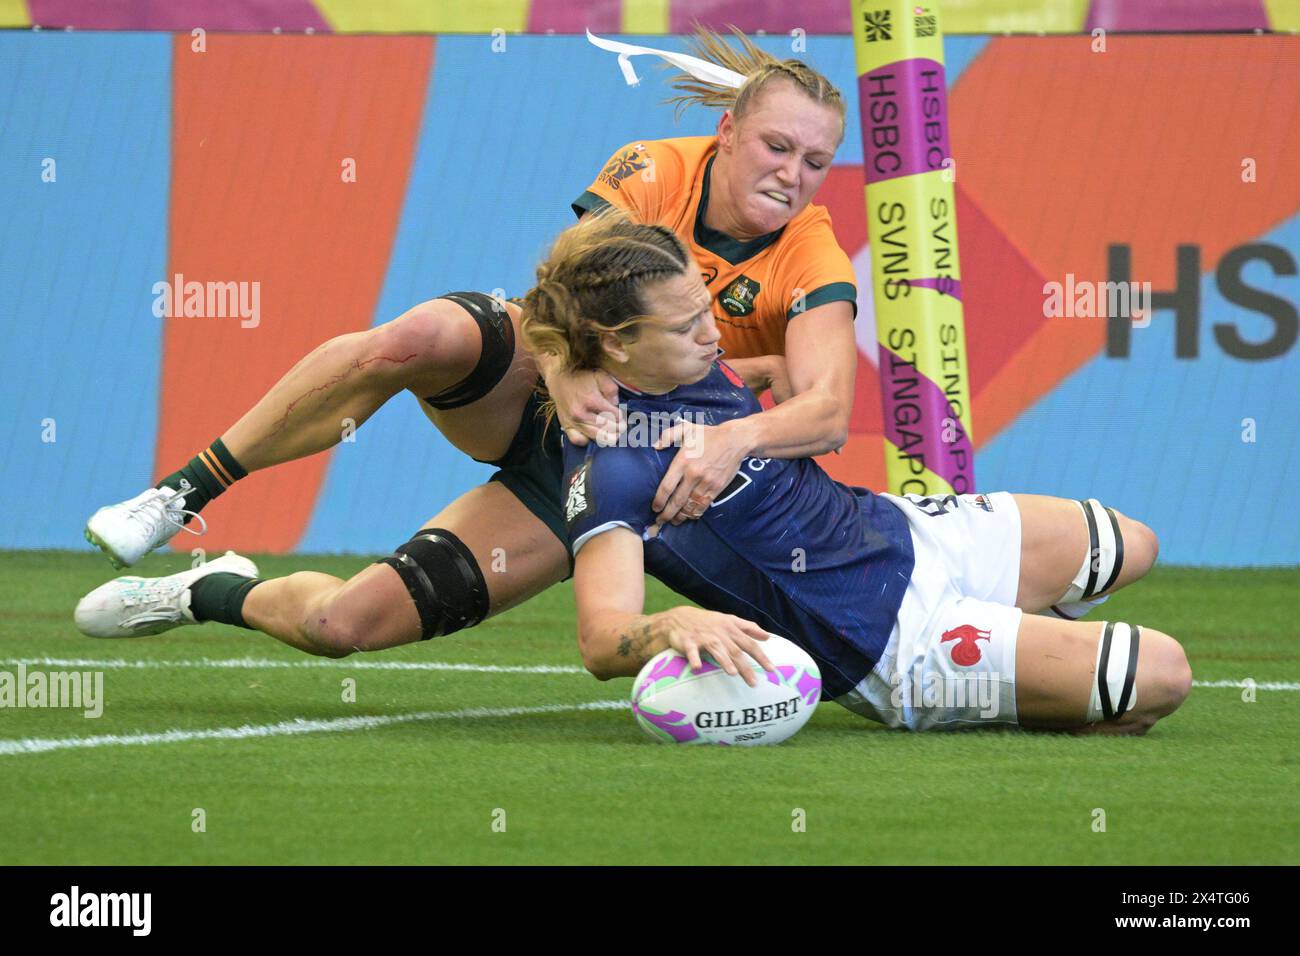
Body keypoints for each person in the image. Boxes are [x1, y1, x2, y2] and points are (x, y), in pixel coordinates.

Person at [74, 30, 862, 656]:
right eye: (776, 147)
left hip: (614, 466)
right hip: (540, 386)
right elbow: (563, 290)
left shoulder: (811, 255)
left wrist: (735, 437)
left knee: (343, 626)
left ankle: (203, 592)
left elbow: (826, 411)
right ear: (727, 131)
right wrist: (561, 367)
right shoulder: (653, 169)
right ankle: (182, 493)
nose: (793, 174)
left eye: (816, 161)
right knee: (422, 335)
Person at [521, 212, 1191, 734]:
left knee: (1132, 543)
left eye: (706, 307)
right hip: (886, 640)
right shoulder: (612, 469)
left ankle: (1032, 656)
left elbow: (558, 296)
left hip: (898, 528)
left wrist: (761, 388)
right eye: (686, 324)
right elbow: (600, 638)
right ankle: (1015, 677)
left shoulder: (689, 359)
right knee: (1162, 675)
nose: (712, 331)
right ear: (616, 342)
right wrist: (669, 626)